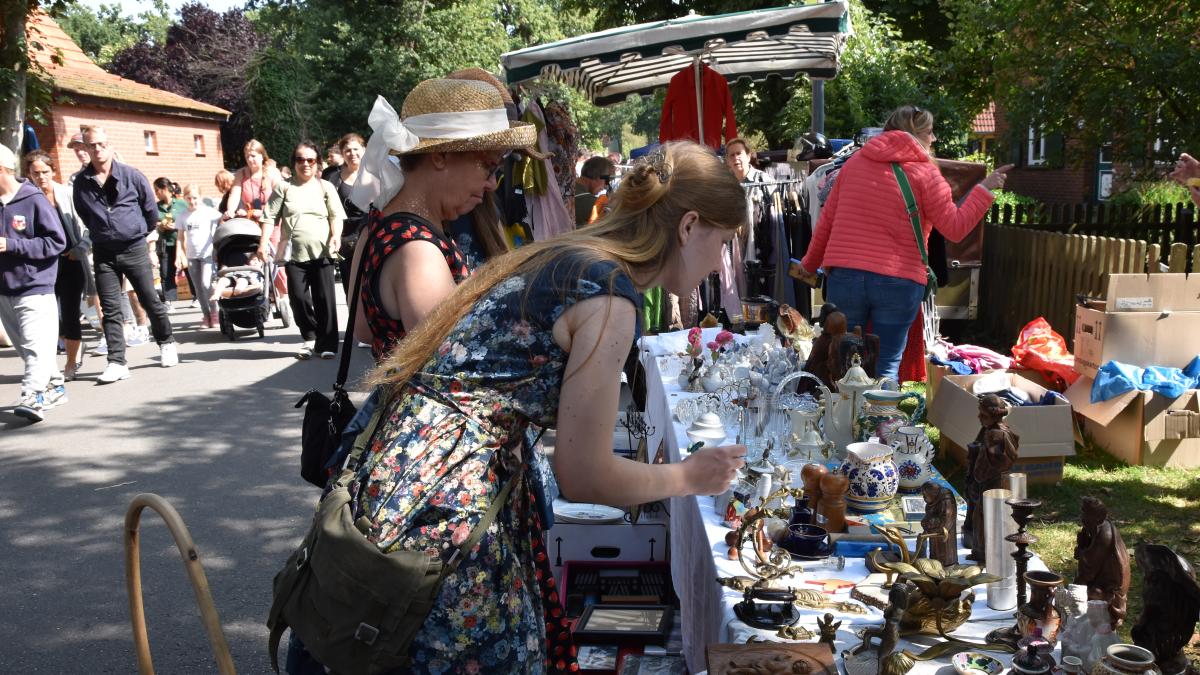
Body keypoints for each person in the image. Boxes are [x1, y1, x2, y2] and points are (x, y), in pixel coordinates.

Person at [288, 140, 746, 673]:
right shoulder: (608, 296)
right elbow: (585, 474)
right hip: (446, 509)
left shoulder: (568, 257)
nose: (720, 261)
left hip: (404, 474)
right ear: (689, 227)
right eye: (723, 241)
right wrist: (688, 477)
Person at [795, 105, 1012, 382]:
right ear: (915, 135)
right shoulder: (926, 173)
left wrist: (809, 264)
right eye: (929, 132)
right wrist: (984, 189)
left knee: (844, 363)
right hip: (898, 281)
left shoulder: (854, 164)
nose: (933, 140)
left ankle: (840, 423)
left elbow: (826, 222)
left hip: (846, 276)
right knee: (886, 366)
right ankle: (881, 423)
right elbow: (955, 229)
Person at [346, 79, 521, 360]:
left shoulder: (377, 225)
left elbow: (364, 331)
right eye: (489, 166)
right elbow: (447, 363)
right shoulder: (418, 250)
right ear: (440, 156)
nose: (491, 184)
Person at [72, 125, 178, 382]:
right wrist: (104, 231)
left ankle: (166, 342)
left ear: (109, 145)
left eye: (100, 144)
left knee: (149, 299)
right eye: (91, 145)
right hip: (104, 252)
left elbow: (151, 211)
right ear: (85, 148)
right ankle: (117, 362)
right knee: (110, 308)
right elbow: (84, 213)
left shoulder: (132, 175)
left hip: (133, 247)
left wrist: (136, 230)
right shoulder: (81, 182)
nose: (97, 149)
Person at [0, 144, 67, 421]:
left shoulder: (32, 199)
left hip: (34, 285)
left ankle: (32, 395)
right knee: (27, 348)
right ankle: (55, 387)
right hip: (4, 289)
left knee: (35, 344)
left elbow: (56, 242)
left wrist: (12, 245)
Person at [262, 141, 345, 359]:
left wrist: (336, 236)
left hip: (323, 251)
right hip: (293, 254)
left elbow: (336, 216)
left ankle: (327, 343)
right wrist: (262, 243)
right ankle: (309, 336)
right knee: (298, 298)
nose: (305, 164)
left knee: (325, 299)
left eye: (310, 160)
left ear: (318, 163)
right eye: (300, 159)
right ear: (294, 162)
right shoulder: (284, 187)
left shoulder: (325, 187)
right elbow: (270, 217)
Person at [23, 151, 90, 381]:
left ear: (53, 171)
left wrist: (81, 248)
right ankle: (50, 366)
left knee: (70, 314)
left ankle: (71, 363)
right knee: (48, 319)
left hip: (70, 261)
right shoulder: (26, 199)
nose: (41, 177)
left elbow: (87, 225)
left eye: (45, 172)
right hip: (42, 267)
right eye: (36, 173)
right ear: (28, 174)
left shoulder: (67, 194)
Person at [324, 133, 368, 293]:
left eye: (356, 149)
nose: (352, 153)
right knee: (351, 289)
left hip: (372, 237)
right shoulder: (333, 178)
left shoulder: (377, 174)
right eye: (347, 150)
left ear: (364, 149)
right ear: (342, 153)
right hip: (347, 241)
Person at [178, 184, 221, 328]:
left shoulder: (209, 212)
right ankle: (206, 315)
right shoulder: (183, 215)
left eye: (195, 198)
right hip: (191, 255)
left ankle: (215, 313)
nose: (192, 201)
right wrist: (180, 254)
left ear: (200, 197)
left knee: (206, 284)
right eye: (189, 198)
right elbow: (180, 237)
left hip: (207, 254)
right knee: (197, 288)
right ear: (184, 198)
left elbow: (222, 221)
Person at [152, 177, 186, 308]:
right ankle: (169, 300)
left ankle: (196, 296)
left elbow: (189, 219)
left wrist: (177, 226)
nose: (155, 193)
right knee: (166, 272)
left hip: (181, 242)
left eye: (157, 190)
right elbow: (152, 223)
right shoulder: (156, 207)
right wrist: (161, 225)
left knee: (187, 268)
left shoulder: (181, 204)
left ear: (165, 189)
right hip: (165, 243)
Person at [574, 156, 615, 226]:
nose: (605, 186)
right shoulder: (592, 203)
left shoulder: (568, 186)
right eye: (607, 180)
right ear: (596, 176)